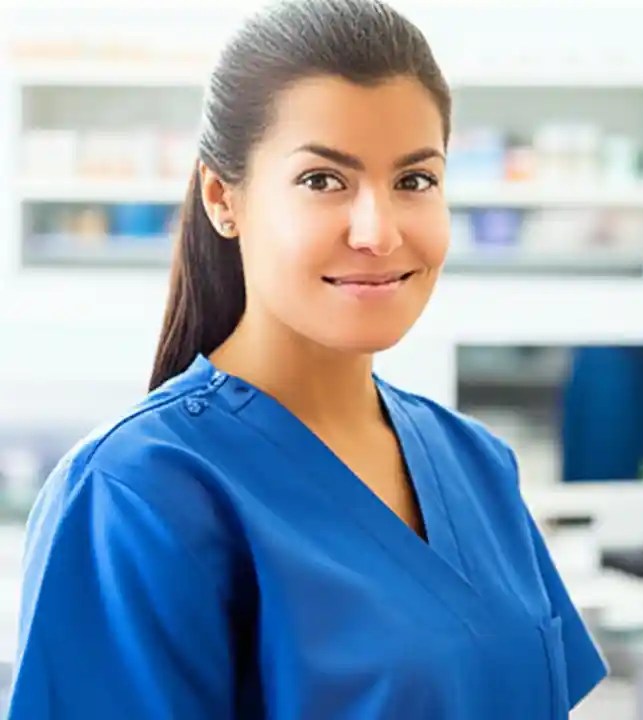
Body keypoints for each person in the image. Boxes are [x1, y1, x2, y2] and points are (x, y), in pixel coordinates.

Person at [9, 1, 606, 717]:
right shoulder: (137, 493)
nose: (378, 231)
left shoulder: (477, 465)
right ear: (222, 198)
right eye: (324, 180)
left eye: (414, 180)